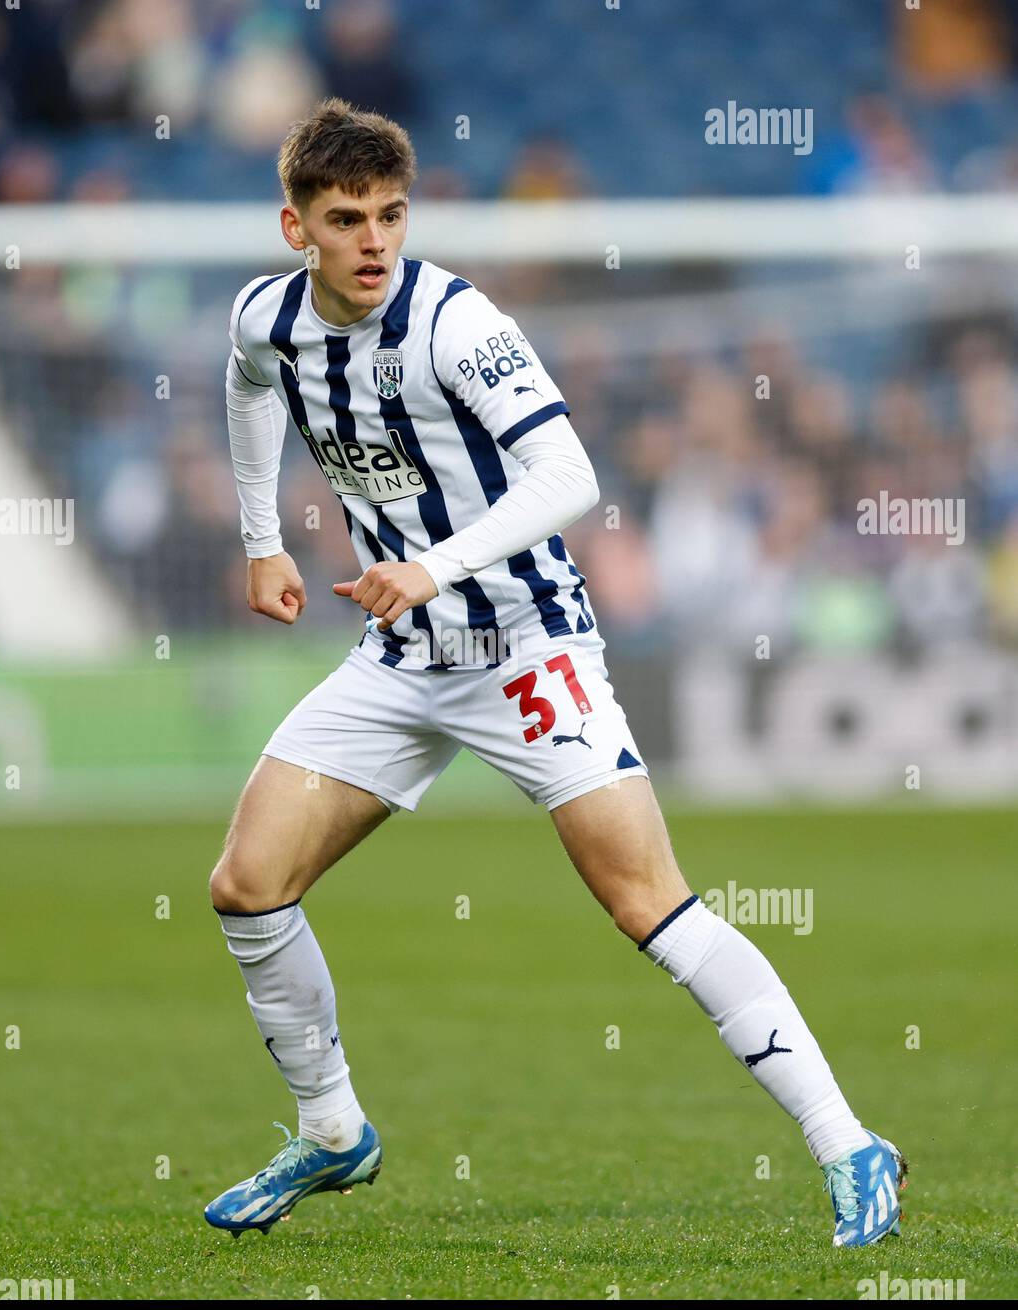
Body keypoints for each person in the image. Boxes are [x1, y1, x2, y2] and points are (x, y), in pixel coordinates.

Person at [205, 99, 905, 1248]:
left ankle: (847, 1141)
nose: (374, 241)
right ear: (297, 228)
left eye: (390, 214)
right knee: (245, 882)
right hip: (401, 652)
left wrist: (433, 564)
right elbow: (241, 386)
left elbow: (567, 473)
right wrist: (259, 540)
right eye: (346, 220)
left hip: (528, 641)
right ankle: (333, 1134)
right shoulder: (265, 319)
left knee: (646, 901)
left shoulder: (455, 323)